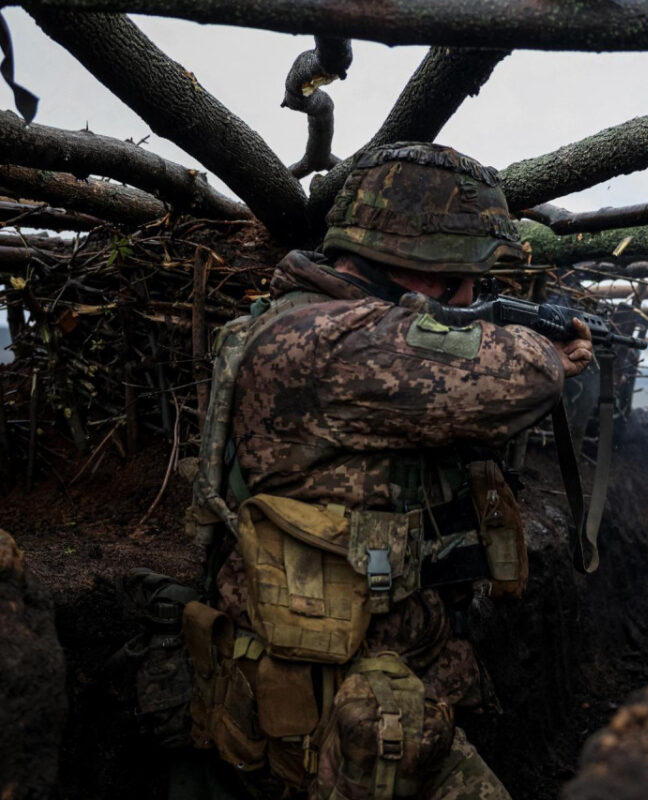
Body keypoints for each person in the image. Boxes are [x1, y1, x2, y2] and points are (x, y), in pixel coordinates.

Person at [194, 142, 593, 800]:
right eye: (465, 281)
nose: (471, 297)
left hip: (377, 670)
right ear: (418, 271)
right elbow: (509, 373)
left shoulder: (323, 326)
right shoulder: (331, 340)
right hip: (335, 704)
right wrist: (548, 353)